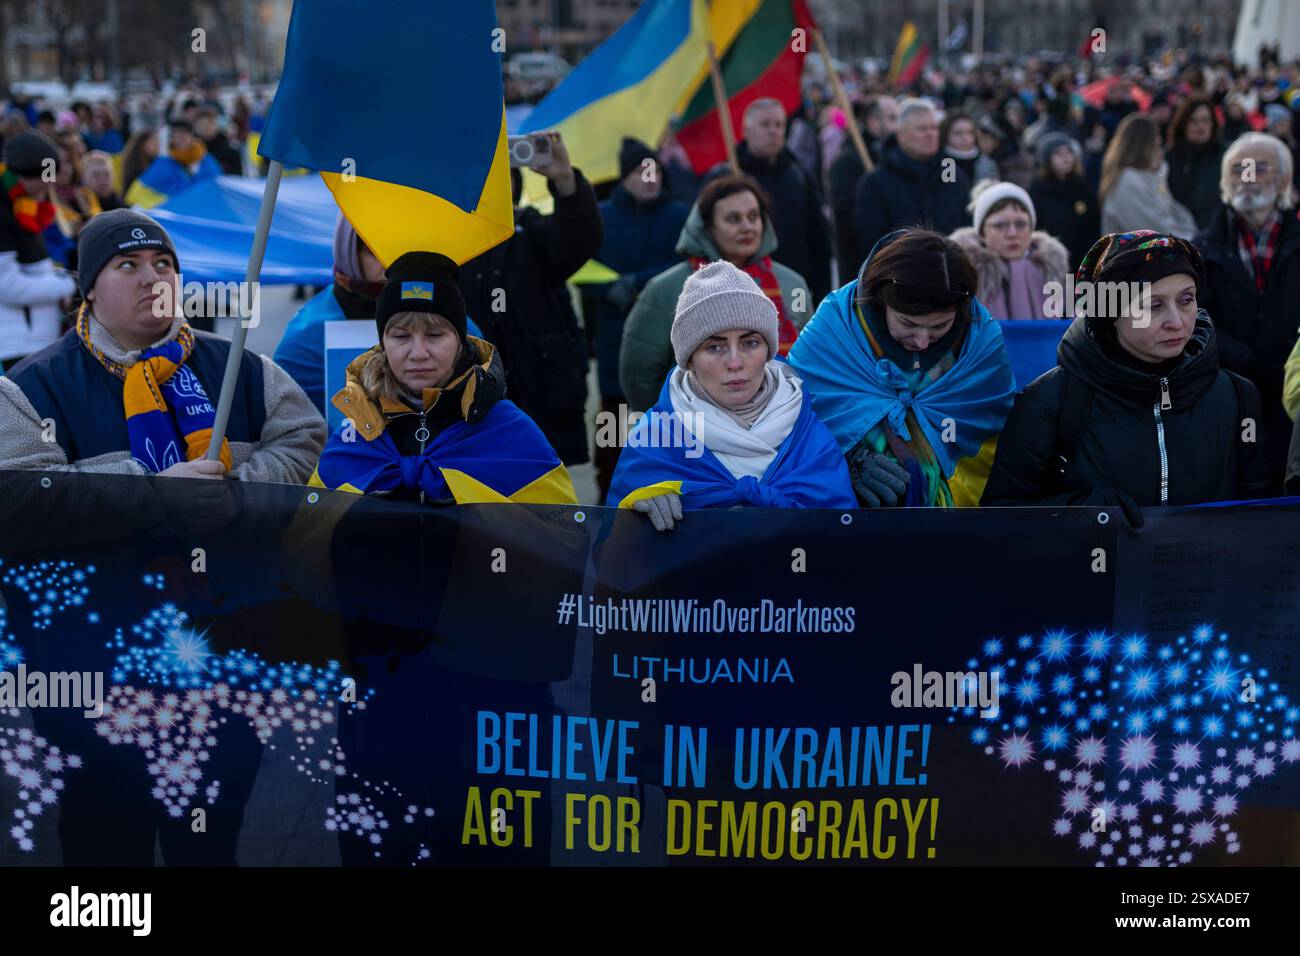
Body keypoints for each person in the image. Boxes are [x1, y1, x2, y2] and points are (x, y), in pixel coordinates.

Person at [0, 209, 324, 479]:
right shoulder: (33, 387)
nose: (152, 279)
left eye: (163, 264)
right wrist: (153, 493)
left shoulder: (241, 365)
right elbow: (22, 491)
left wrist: (234, 492)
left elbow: (307, 441)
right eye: (128, 264)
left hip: (235, 553)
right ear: (90, 289)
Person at [983, 232, 1274, 517]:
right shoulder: (1049, 403)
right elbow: (1002, 514)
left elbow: (1263, 522)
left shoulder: (1237, 397)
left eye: (1186, 300)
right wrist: (1084, 514)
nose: (1176, 321)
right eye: (1153, 306)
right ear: (1110, 314)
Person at [309, 252, 578, 505]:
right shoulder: (355, 431)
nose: (418, 353)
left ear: (461, 341)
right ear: (382, 344)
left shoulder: (509, 430)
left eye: (435, 335)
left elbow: (558, 538)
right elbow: (310, 534)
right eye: (400, 336)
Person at [609, 260, 855, 529]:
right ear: (689, 360)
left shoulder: (810, 433)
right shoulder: (653, 440)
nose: (735, 362)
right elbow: (612, 560)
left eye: (750, 343)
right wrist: (634, 521)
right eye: (714, 347)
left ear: (769, 350)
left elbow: (843, 549)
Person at [788, 229, 1016, 508]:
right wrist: (846, 459)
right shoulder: (833, 329)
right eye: (908, 323)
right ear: (879, 302)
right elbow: (795, 421)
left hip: (961, 527)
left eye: (939, 326)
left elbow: (998, 436)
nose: (921, 341)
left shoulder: (981, 342)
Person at [458, 130, 601, 468]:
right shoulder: (449, 244)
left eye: (501, 178)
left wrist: (564, 179)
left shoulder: (531, 232)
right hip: (472, 410)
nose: (491, 189)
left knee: (544, 508)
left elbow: (582, 236)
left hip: (539, 400)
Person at [620, 175, 812, 414]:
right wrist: (673, 422)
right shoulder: (667, 289)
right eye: (733, 219)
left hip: (787, 422)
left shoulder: (793, 285)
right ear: (706, 227)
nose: (747, 227)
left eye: (753, 217)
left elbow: (807, 358)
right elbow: (640, 372)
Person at [1195, 132, 1300, 490]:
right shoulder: (1200, 249)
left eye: (1260, 167)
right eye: (1238, 168)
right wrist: (1248, 362)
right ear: (1224, 181)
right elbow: (1196, 317)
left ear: (1284, 179)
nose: (1248, 177)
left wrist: (1284, 362)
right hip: (1228, 398)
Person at [590, 137, 690, 501]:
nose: (650, 177)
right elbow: (582, 265)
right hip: (613, 336)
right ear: (624, 178)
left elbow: (689, 264)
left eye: (655, 170)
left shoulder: (679, 216)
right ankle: (608, 501)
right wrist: (603, 290)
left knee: (663, 428)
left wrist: (638, 283)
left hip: (665, 341)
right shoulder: (601, 216)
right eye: (641, 170)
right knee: (613, 429)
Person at [702, 98, 833, 302]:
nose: (774, 131)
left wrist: (822, 297)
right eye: (765, 124)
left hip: (794, 290)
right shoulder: (725, 178)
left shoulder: (798, 174)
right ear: (746, 130)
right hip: (741, 289)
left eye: (779, 125)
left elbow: (818, 240)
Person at [274, 215, 388, 415]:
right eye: (373, 251)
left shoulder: (443, 313)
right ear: (349, 253)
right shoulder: (307, 336)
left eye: (399, 249)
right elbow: (293, 430)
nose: (389, 261)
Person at [854, 99, 971, 269]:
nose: (930, 134)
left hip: (951, 275)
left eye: (933, 128)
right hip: (901, 277)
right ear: (901, 134)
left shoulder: (951, 172)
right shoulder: (876, 181)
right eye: (922, 129)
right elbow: (872, 241)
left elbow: (966, 222)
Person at [0, 130, 77, 370]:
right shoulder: (4, 211)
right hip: (17, 345)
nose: (52, 182)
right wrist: (66, 284)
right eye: (47, 175)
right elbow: (8, 286)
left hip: (33, 340)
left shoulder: (21, 205)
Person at [949, 181, 1069, 320]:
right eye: (1000, 225)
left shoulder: (1053, 270)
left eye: (1021, 224)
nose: (1012, 233)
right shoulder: (962, 274)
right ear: (982, 232)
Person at [828, 95, 897, 284]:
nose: (898, 125)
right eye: (892, 118)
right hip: (864, 267)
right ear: (874, 123)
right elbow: (846, 222)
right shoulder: (848, 161)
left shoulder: (890, 158)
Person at [1099, 113, 1197, 238]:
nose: (1159, 141)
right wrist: (1190, 242)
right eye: (1155, 136)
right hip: (1141, 253)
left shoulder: (1148, 175)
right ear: (1142, 142)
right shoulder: (1129, 181)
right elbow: (1153, 228)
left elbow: (1173, 210)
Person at [1028, 131, 1100, 271]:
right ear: (1047, 160)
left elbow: (1094, 226)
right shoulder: (1037, 191)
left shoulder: (1083, 188)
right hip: (1049, 266)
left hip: (1082, 265)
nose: (1066, 157)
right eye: (1058, 153)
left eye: (1069, 152)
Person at [124, 118, 221, 208]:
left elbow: (217, 187)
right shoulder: (164, 163)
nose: (180, 139)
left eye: (184, 134)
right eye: (176, 135)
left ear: (192, 136)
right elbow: (138, 192)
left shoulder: (207, 161)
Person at [1165, 96, 1225, 231]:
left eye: (1206, 120)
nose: (1201, 126)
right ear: (1183, 124)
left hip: (1218, 231)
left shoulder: (1226, 154)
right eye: (1193, 121)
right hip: (1180, 233)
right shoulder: (1169, 156)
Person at [941, 109, 999, 192]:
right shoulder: (943, 162)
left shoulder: (986, 162)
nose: (965, 138)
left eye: (969, 132)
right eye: (958, 133)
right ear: (946, 135)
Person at [194, 107, 242, 175]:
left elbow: (237, 181)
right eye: (202, 123)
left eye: (210, 122)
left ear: (216, 124)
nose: (207, 126)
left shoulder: (231, 153)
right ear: (197, 126)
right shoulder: (192, 152)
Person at [119, 129, 159, 197]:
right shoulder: (133, 161)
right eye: (153, 143)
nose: (156, 147)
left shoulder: (155, 160)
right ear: (143, 144)